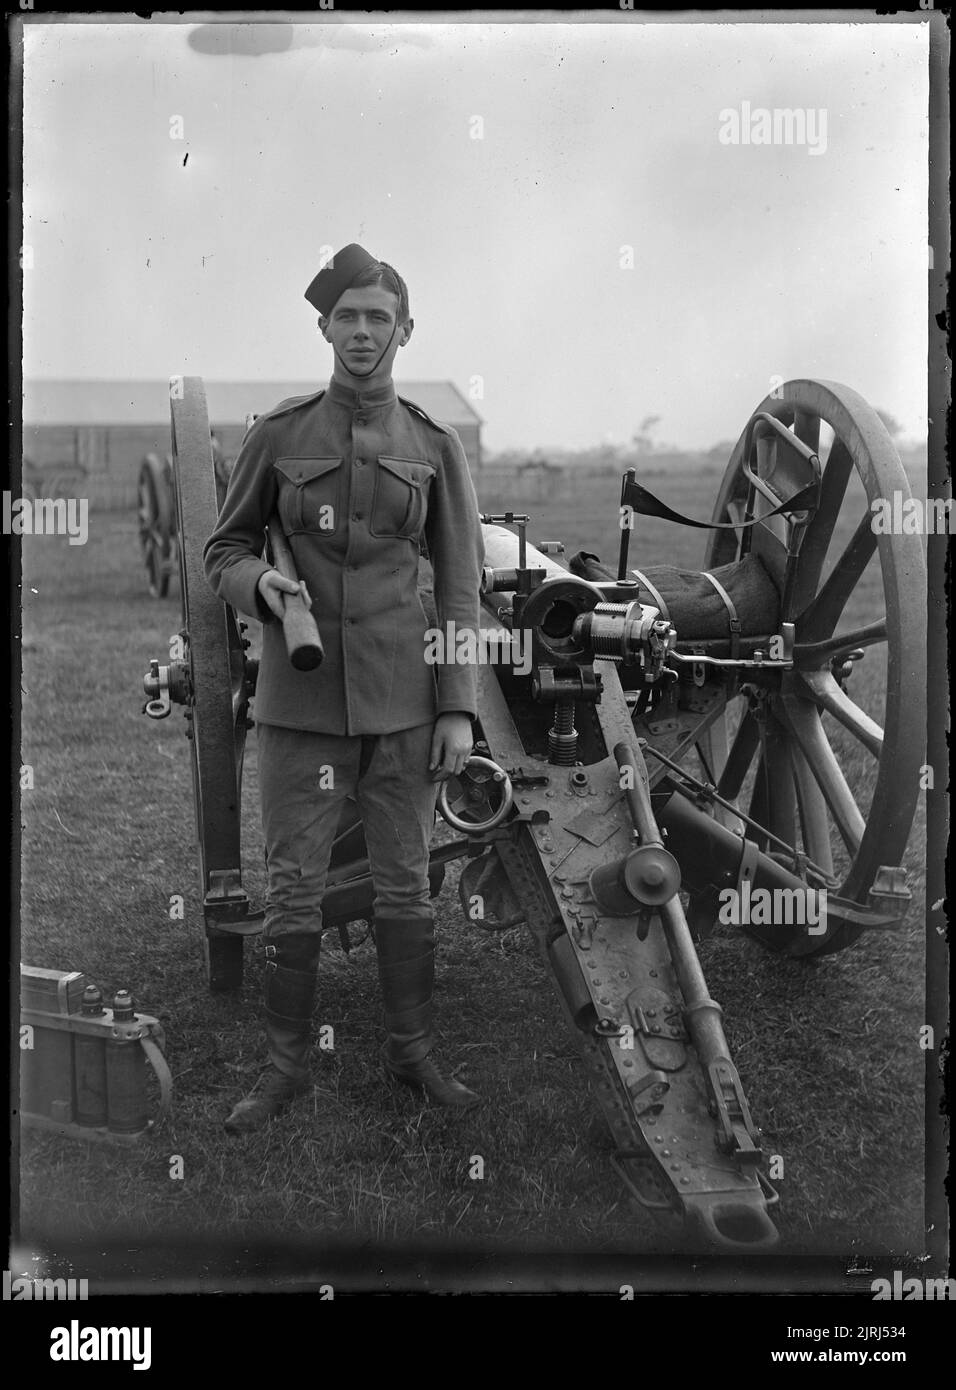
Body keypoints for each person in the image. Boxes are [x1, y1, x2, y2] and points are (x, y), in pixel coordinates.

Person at [203, 243, 485, 1133]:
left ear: (405, 329)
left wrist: (457, 708)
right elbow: (224, 550)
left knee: (405, 886)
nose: (362, 333)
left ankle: (416, 1057)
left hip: (404, 710)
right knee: (293, 889)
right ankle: (284, 1070)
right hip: (302, 707)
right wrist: (261, 587)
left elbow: (461, 586)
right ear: (324, 326)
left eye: (379, 317)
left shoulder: (432, 445)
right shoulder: (280, 436)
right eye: (347, 317)